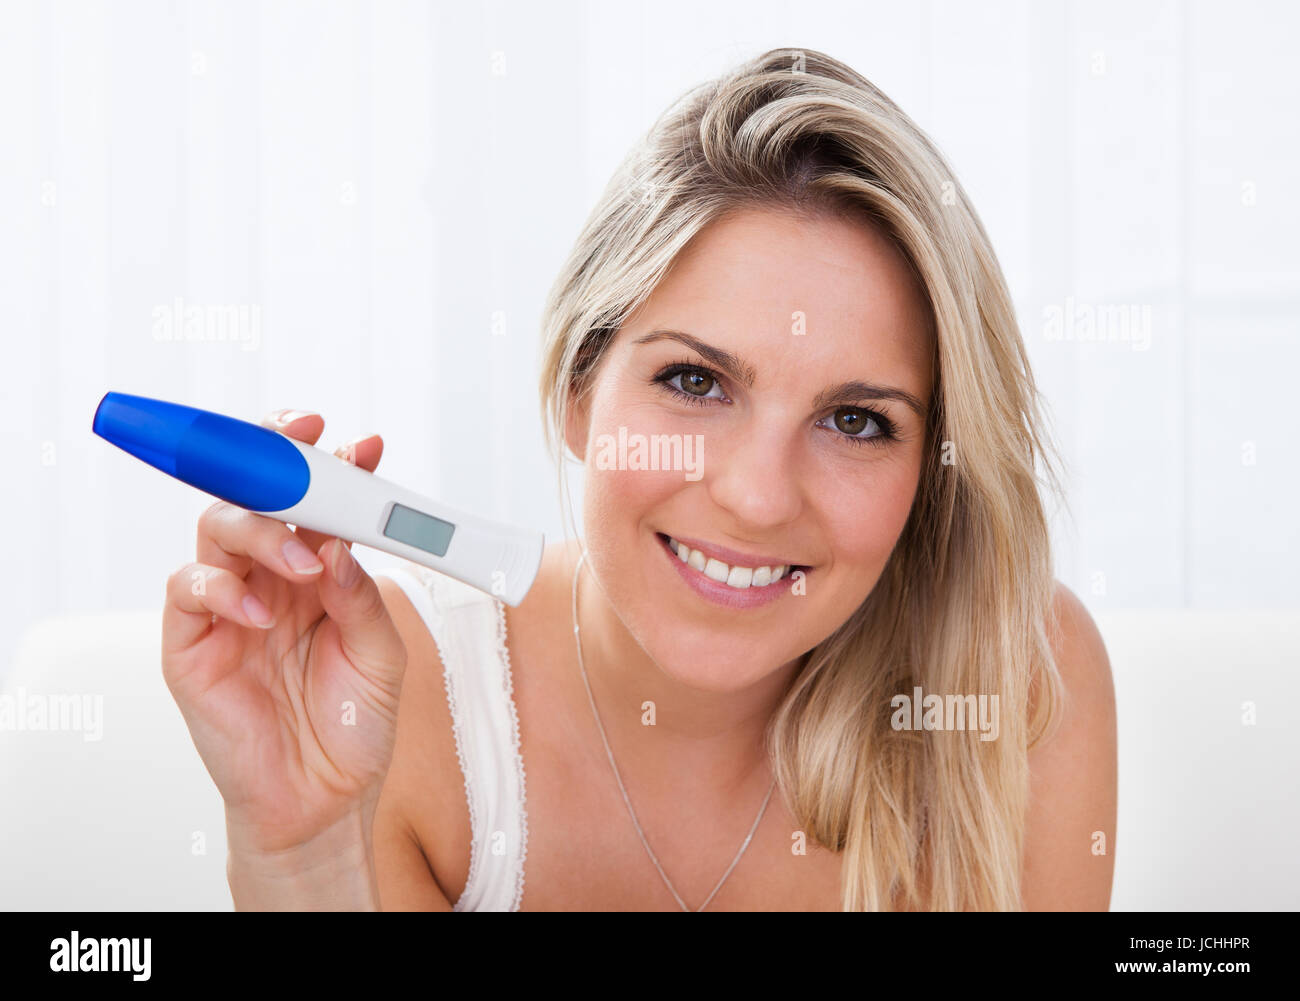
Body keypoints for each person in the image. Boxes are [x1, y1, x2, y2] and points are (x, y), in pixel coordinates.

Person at [161, 46, 1116, 911]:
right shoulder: (397, 694)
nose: (756, 495)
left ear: (932, 468)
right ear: (580, 387)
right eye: (695, 381)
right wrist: (301, 857)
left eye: (855, 420)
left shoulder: (1016, 682)